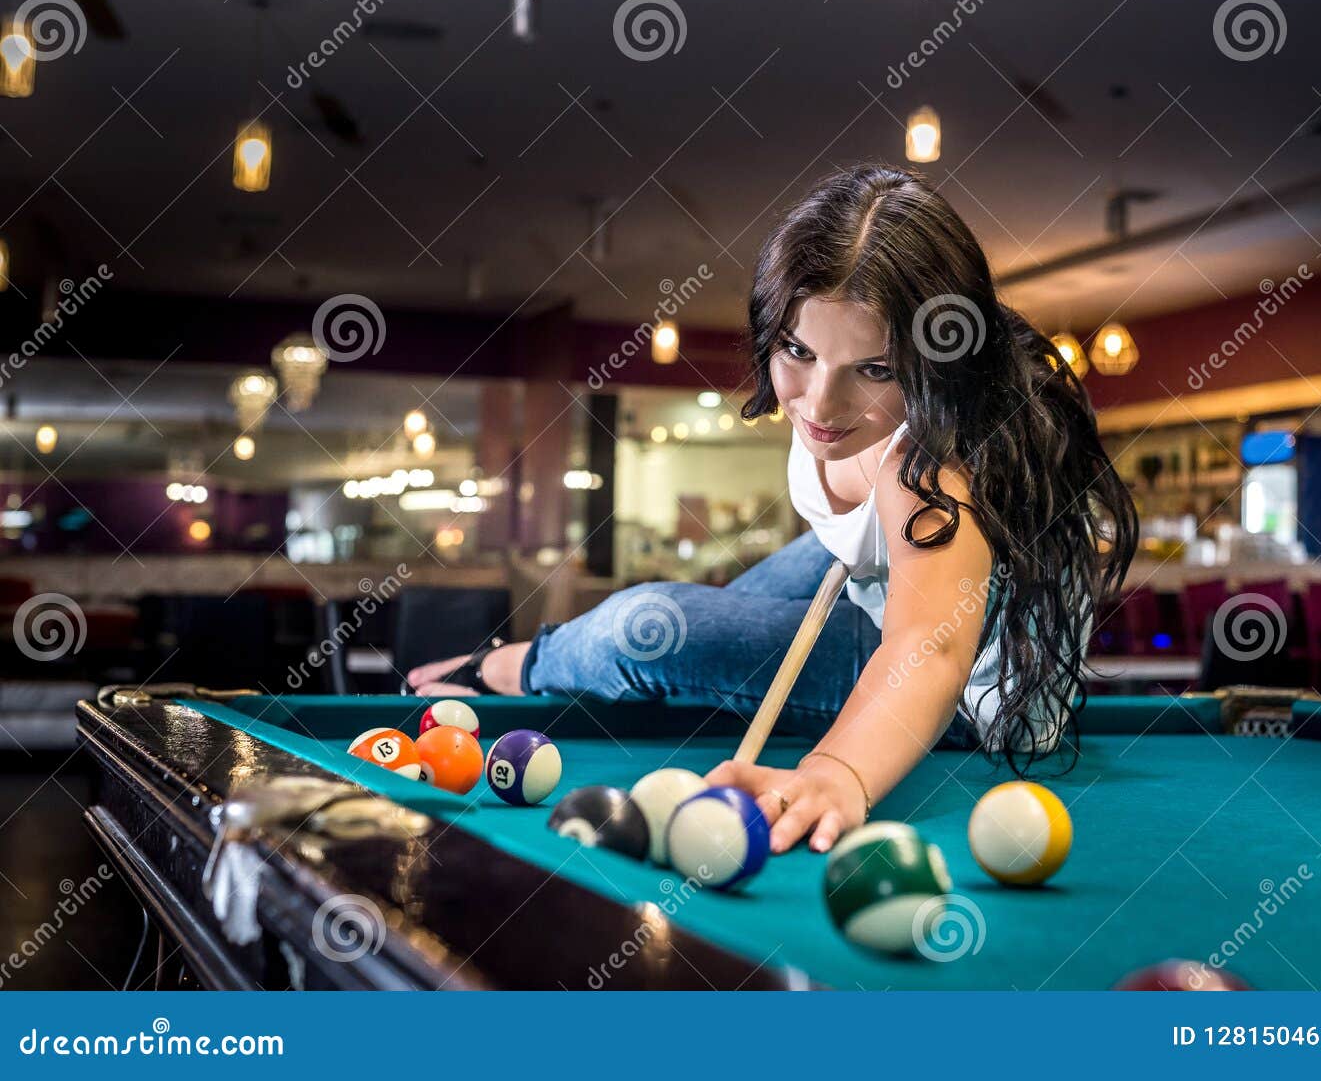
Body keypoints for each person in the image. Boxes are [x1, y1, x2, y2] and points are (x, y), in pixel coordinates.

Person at [407, 163, 1137, 854]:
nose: (821, 404)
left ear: (935, 366)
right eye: (798, 351)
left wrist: (838, 772)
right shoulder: (850, 412)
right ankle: (539, 662)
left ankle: (507, 665)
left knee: (650, 628)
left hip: (982, 693)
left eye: (874, 369)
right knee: (707, 624)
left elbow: (931, 647)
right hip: (878, 584)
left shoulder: (931, 468)